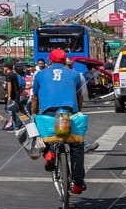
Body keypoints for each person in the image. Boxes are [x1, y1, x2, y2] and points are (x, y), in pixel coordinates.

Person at [30, 47, 89, 193]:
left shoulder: (40, 74)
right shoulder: (75, 74)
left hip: (47, 115)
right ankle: (77, 183)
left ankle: (48, 154)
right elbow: (79, 97)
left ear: (49, 60)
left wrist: (34, 114)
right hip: (67, 114)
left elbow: (35, 98)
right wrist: (78, 110)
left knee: (37, 134)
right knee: (76, 146)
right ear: (65, 61)